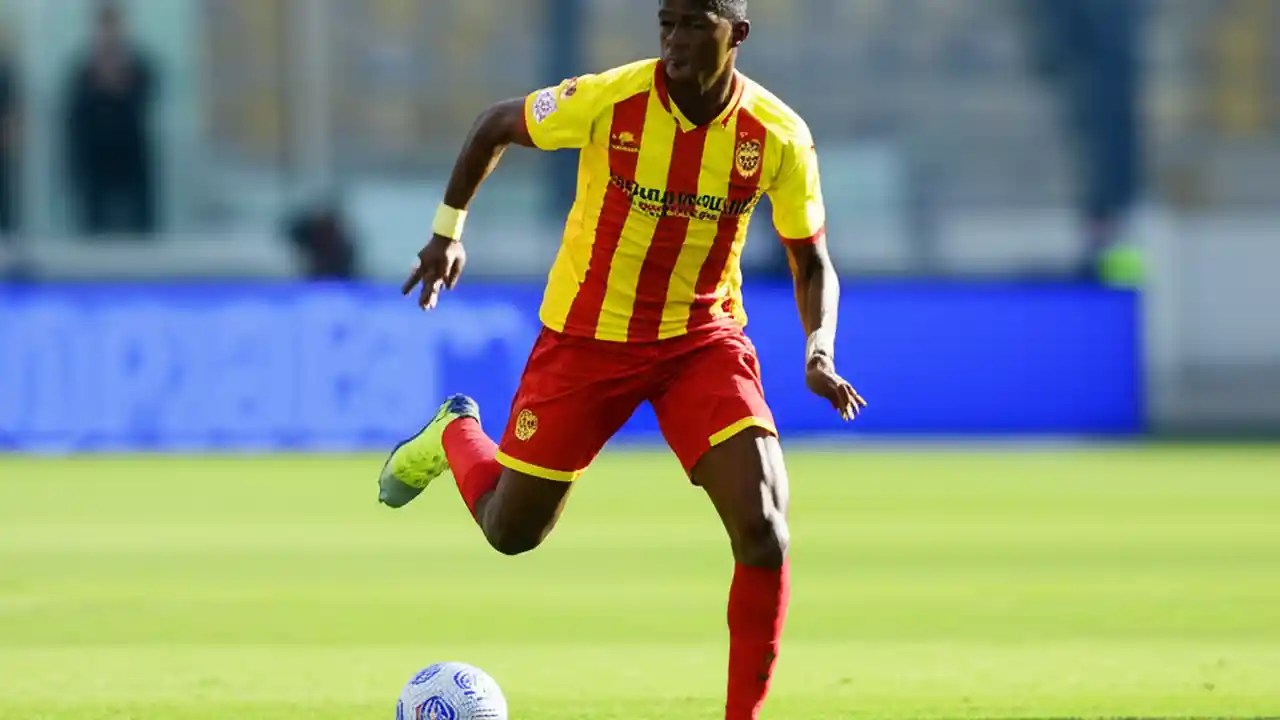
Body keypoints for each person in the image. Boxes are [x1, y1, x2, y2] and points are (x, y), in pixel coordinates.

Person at [384, 1, 866, 717]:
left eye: (695, 24)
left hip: (701, 343)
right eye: (666, 22)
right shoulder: (611, 99)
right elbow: (496, 124)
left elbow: (811, 259)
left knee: (764, 528)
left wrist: (818, 350)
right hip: (587, 338)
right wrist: (446, 233)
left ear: (738, 33)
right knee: (510, 533)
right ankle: (457, 428)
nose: (675, 40)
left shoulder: (777, 136)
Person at [64, 1, 157, 236]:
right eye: (105, 26)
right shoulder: (83, 70)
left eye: (115, 25)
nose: (110, 32)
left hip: (132, 157)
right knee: (93, 228)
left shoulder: (139, 66)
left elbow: (147, 97)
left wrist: (119, 82)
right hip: (95, 161)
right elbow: (75, 115)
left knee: (141, 228)